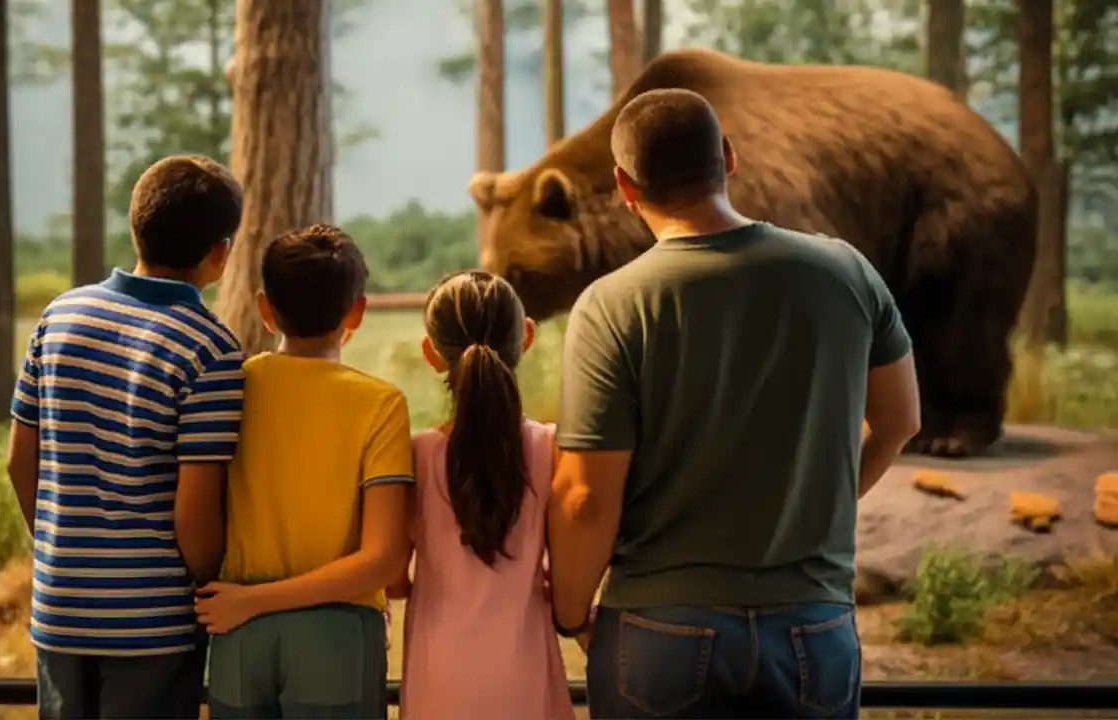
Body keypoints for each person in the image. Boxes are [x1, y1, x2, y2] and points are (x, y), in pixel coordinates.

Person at [546, 88, 922, 719]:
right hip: (813, 624)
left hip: (659, 627)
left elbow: (585, 496)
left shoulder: (612, 306)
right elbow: (900, 420)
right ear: (728, 157)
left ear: (624, 185)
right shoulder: (845, 272)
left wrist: (570, 611)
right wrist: (814, 507)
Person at [7, 155, 245, 719]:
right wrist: (212, 579)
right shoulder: (210, 351)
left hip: (59, 605)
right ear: (220, 254)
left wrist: (58, 551)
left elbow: (20, 462)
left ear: (136, 227)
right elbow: (193, 514)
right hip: (153, 623)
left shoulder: (60, 316)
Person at [193, 224, 414, 720]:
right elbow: (382, 560)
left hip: (237, 630)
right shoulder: (380, 405)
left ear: (264, 307)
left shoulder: (231, 386)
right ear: (357, 310)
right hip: (336, 639)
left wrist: (251, 602)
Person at [393, 271, 574, 720]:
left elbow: (394, 580)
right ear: (526, 337)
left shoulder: (416, 455)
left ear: (431, 353)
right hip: (524, 666)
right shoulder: (551, 448)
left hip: (439, 672)